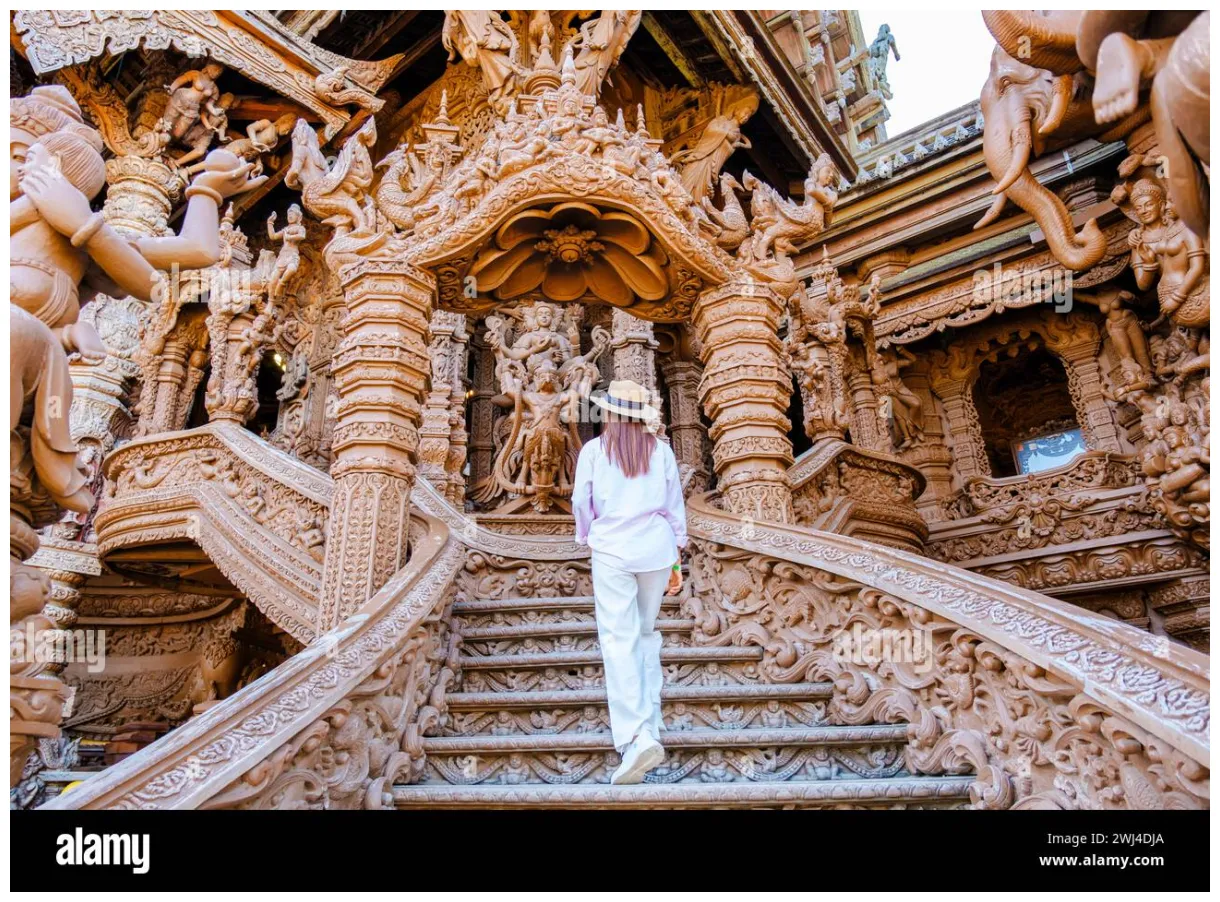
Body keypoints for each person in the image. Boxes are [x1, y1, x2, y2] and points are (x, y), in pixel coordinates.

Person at [571, 380, 687, 785]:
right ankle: (651, 724)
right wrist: (676, 558)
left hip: (613, 551)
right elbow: (675, 507)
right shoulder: (663, 451)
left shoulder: (594, 452)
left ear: (609, 413)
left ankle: (636, 737)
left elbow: (580, 502)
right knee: (646, 634)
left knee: (619, 639)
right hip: (656, 550)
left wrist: (587, 536)